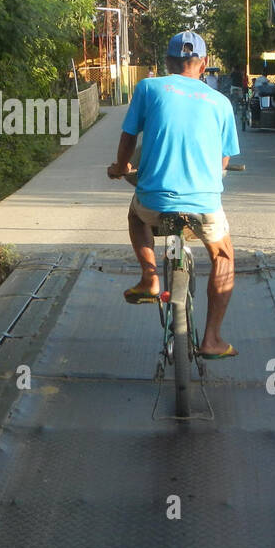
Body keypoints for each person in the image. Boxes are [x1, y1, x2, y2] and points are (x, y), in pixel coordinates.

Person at [107, 31, 239, 358]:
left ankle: (150, 278)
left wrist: (121, 167)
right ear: (205, 64)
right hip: (204, 207)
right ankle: (211, 340)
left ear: (167, 62)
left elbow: (128, 138)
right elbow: (224, 160)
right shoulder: (221, 103)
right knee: (223, 256)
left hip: (155, 202)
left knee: (136, 216)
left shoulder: (149, 88)